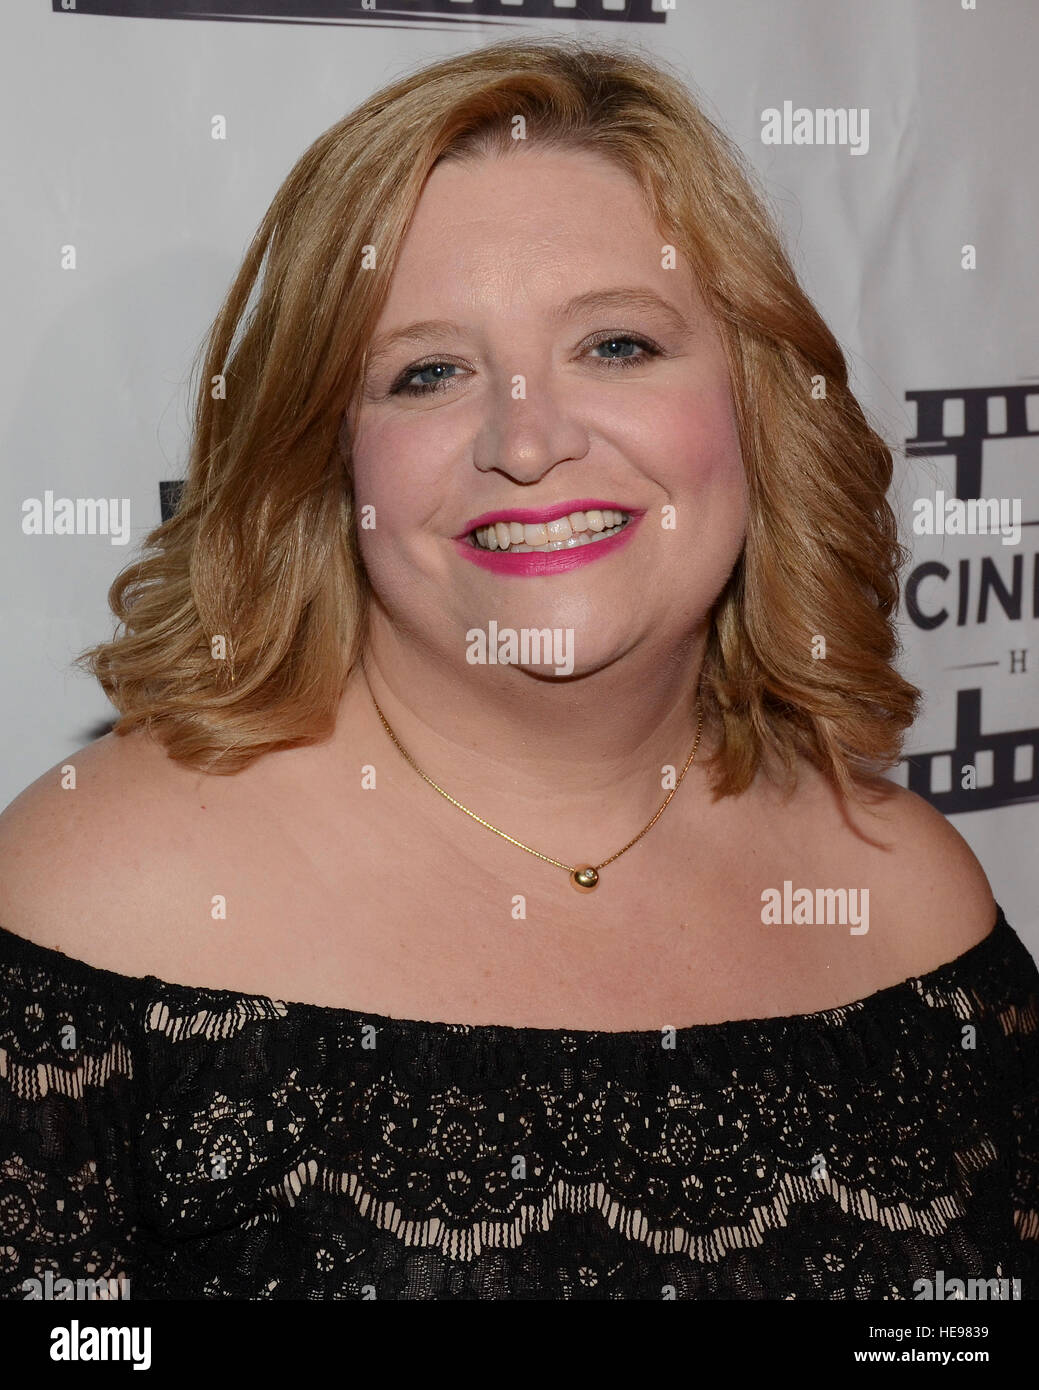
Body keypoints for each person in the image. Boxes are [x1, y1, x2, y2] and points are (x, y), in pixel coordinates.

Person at [0, 37, 1035, 1302]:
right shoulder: (103, 900)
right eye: (427, 372)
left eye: (616, 345)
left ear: (759, 402)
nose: (528, 438)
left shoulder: (909, 898)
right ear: (325, 462)